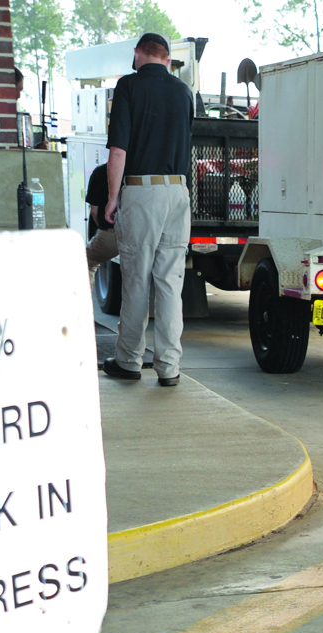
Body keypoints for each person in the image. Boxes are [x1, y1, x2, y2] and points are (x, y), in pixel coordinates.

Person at [101, 33, 193, 388]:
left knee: (137, 279)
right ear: (167, 59)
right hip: (178, 191)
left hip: (142, 191)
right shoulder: (185, 92)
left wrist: (112, 198)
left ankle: (128, 361)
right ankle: (169, 367)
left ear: (137, 54)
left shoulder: (128, 86)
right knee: (170, 282)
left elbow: (119, 151)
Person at [84, 162, 119, 284]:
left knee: (84, 263)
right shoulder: (137, 170)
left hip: (111, 234)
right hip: (140, 233)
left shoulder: (101, 171)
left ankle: (84, 302)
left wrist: (103, 227)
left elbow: (94, 211)